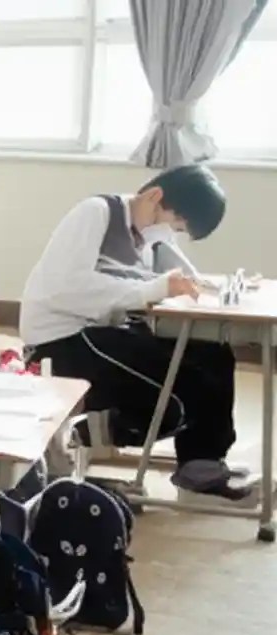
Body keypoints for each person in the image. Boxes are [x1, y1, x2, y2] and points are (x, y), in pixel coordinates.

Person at [20, 164, 244, 502]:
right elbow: (64, 288)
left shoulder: (151, 235)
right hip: (62, 340)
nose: (173, 233)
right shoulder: (97, 214)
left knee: (213, 352)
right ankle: (85, 433)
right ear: (155, 197)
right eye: (176, 225)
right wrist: (153, 289)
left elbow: (185, 278)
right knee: (181, 390)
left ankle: (203, 466)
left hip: (107, 333)